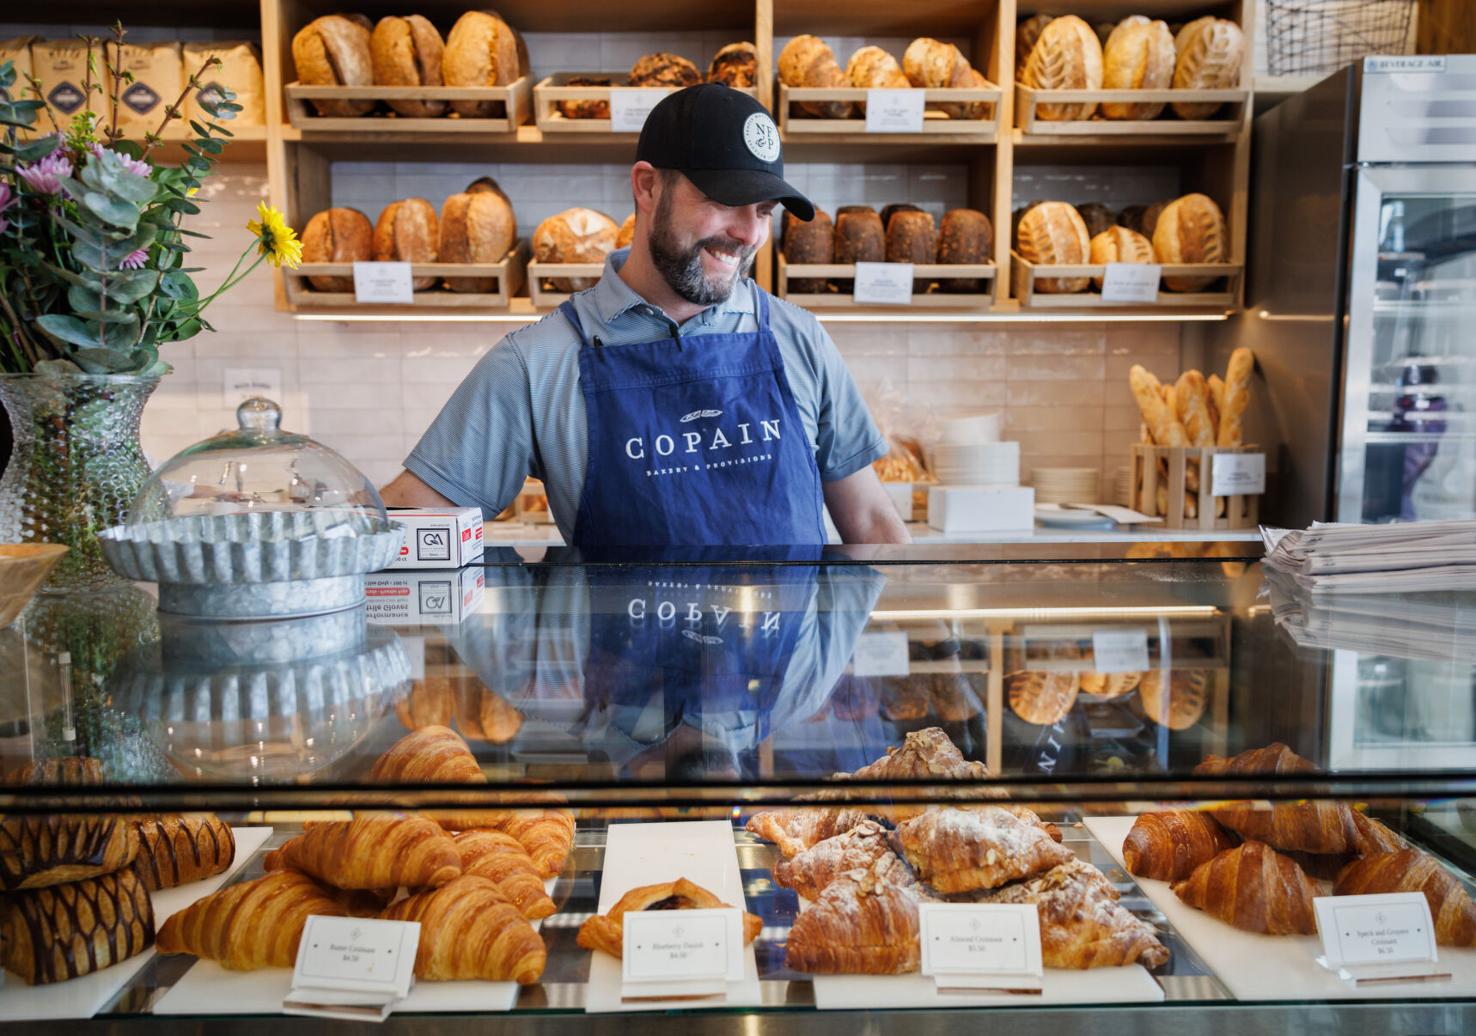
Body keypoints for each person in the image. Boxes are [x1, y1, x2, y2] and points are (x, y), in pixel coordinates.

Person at [381, 83, 909, 547]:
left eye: (764, 211)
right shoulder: (536, 364)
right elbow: (411, 518)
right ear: (648, 186)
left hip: (785, 664)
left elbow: (871, 523)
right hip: (632, 662)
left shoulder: (801, 338)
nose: (749, 233)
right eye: (726, 200)